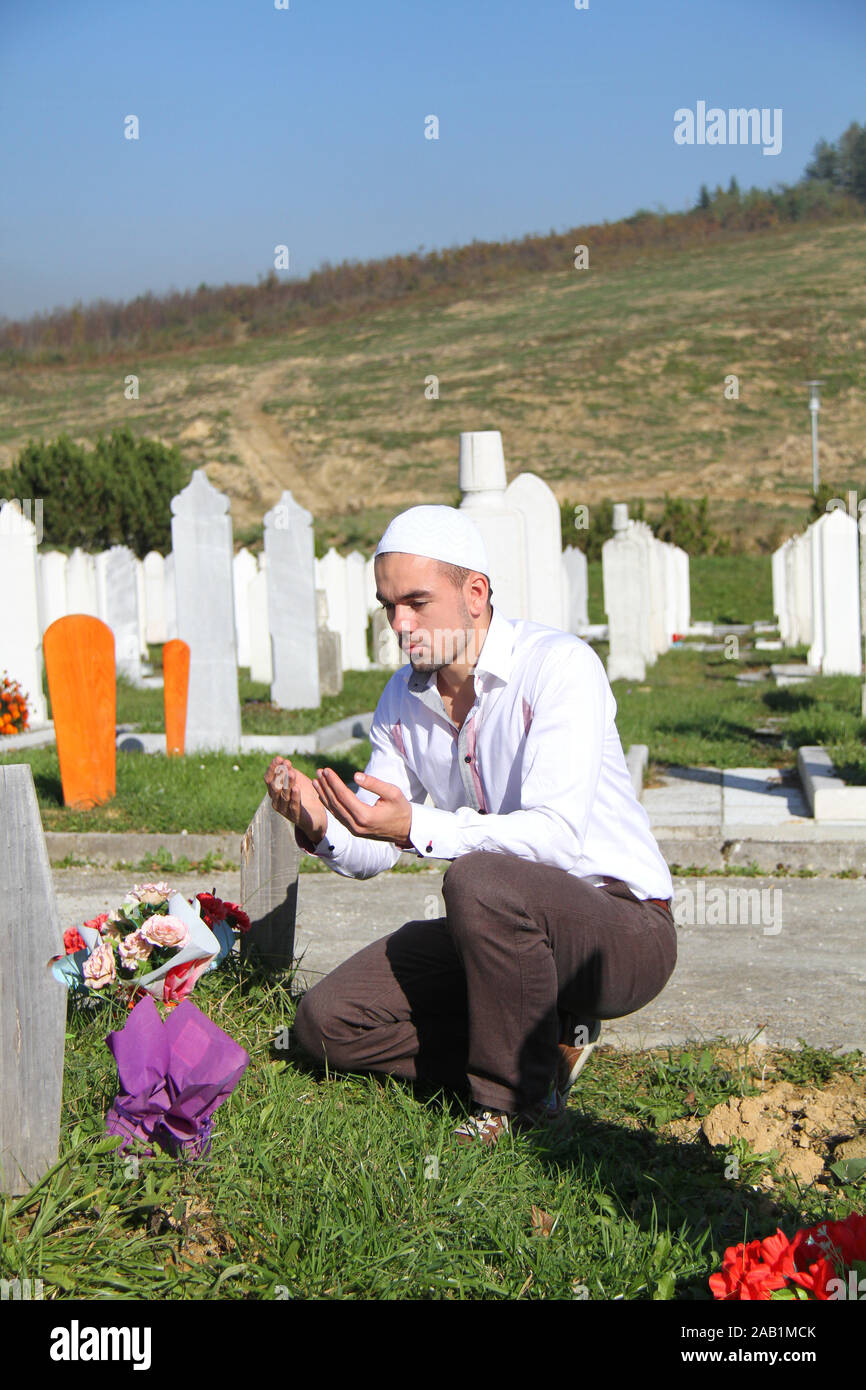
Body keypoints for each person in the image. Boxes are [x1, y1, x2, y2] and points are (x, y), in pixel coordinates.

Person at [264, 504, 676, 1146]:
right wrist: (322, 824)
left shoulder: (559, 666)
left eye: (417, 602)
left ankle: (511, 1104)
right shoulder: (402, 698)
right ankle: (538, 1048)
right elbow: (380, 840)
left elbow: (554, 838)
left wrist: (416, 826)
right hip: (501, 929)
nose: (401, 625)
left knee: (477, 877)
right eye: (388, 606)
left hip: (619, 928)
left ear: (475, 593)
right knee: (326, 1024)